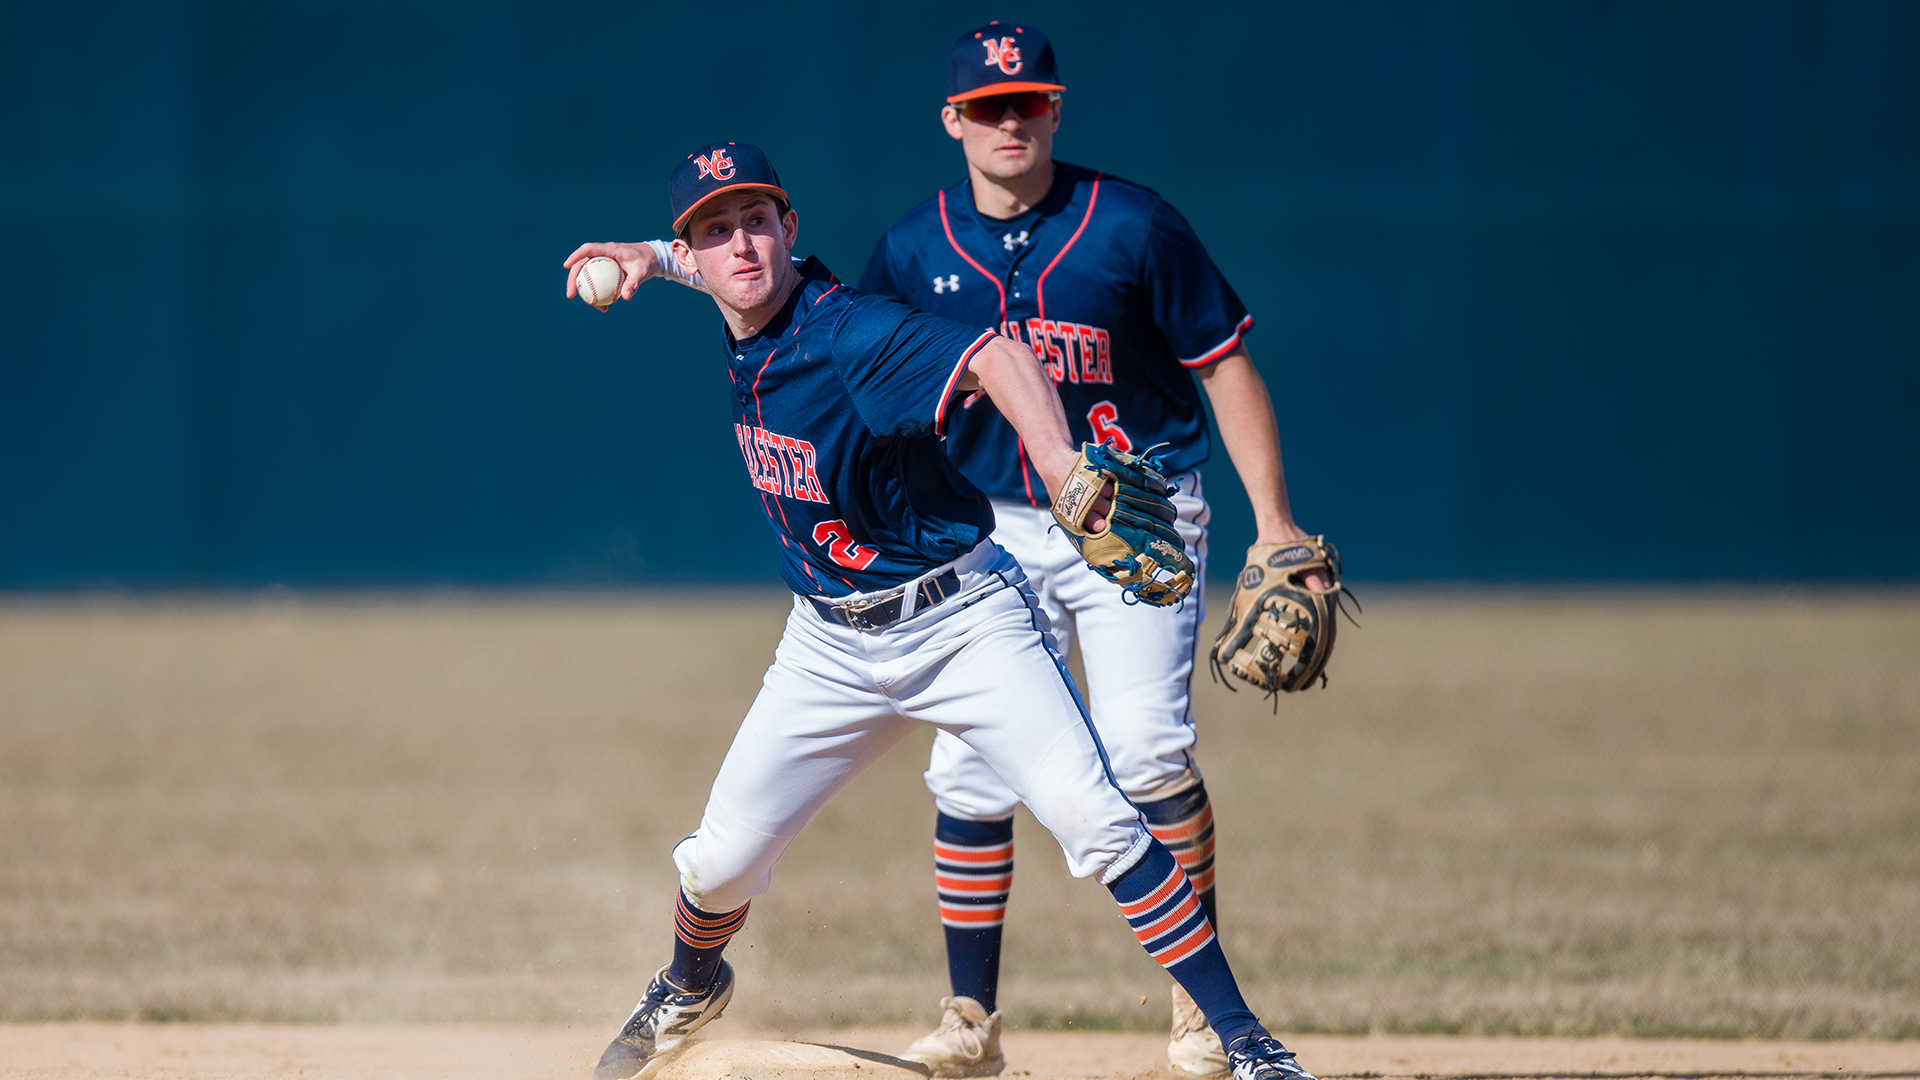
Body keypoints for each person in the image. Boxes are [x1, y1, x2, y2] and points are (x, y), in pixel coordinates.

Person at [561, 142, 1318, 1080]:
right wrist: (649, 253)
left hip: (962, 625)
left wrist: (1058, 466)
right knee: (716, 863)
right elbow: (721, 269)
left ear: (791, 230)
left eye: (757, 219)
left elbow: (998, 354)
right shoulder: (740, 294)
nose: (740, 244)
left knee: (1098, 818)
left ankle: (1243, 1039)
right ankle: (690, 982)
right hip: (828, 646)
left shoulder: (854, 332)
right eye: (714, 231)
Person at [853, 23, 1334, 1079]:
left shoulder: (1131, 224)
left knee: (1147, 750)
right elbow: (866, 392)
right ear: (953, 123)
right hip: (992, 531)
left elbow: (1223, 364)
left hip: (1140, 512)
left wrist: (1277, 522)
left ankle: (1196, 1007)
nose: (1008, 121)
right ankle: (969, 1020)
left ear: (1056, 108)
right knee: (971, 764)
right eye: (987, 107)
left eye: (1026, 101)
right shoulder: (911, 248)